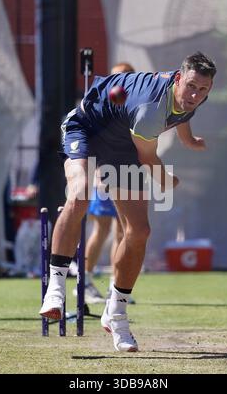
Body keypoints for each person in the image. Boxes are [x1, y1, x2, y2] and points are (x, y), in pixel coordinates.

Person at [40, 51, 216, 352]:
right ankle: (55, 289)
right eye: (191, 87)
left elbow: (182, 114)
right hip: (87, 126)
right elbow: (148, 157)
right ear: (178, 79)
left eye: (203, 90)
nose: (195, 95)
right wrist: (166, 180)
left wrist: (188, 140)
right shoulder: (149, 110)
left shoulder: (190, 95)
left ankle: (116, 314)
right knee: (80, 193)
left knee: (139, 231)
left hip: (123, 144)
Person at [82, 62, 136, 305]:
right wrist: (99, 175)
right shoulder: (101, 106)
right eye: (116, 78)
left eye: (125, 77)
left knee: (123, 232)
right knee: (102, 230)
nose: (120, 83)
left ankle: (117, 288)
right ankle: (84, 282)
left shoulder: (135, 106)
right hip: (106, 178)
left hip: (128, 177)